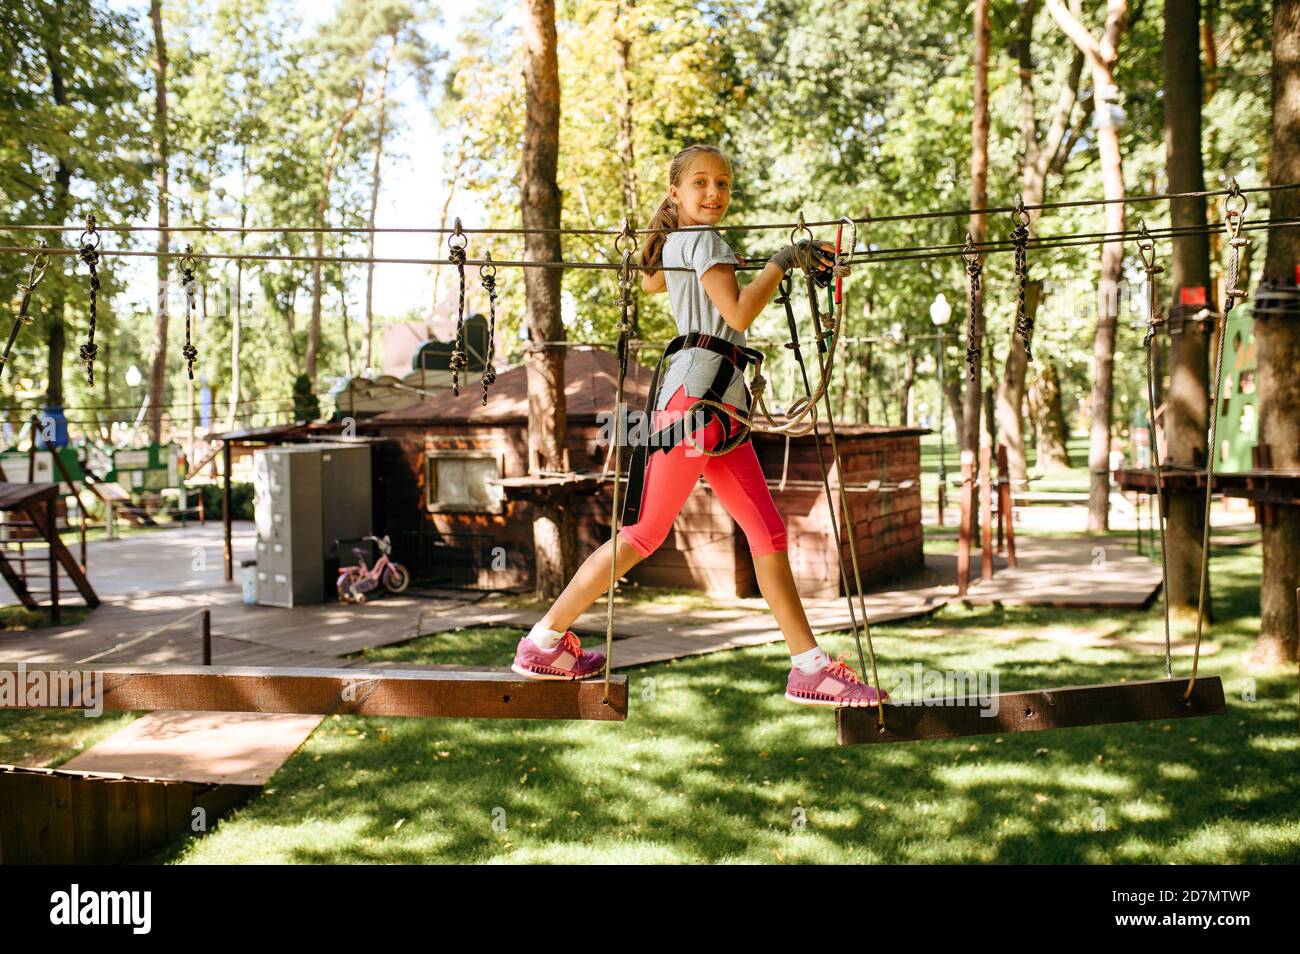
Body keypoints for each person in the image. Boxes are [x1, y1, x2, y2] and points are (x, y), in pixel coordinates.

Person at [510, 143, 887, 708]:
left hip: (715, 405)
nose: (714, 194)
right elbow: (737, 314)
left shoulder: (686, 243)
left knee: (768, 534)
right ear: (676, 192)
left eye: (724, 185)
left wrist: (692, 240)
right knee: (643, 534)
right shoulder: (703, 241)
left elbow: (658, 283)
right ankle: (542, 641)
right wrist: (784, 260)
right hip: (697, 404)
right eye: (700, 184)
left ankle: (809, 667)